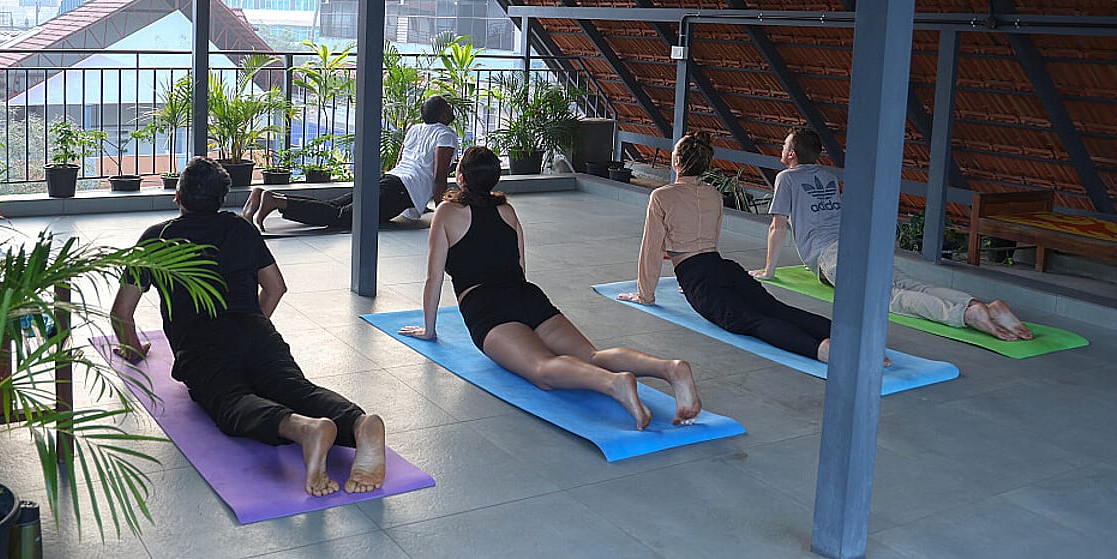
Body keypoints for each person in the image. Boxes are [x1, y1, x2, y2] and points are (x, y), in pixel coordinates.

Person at [110, 156, 389, 497]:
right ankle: (359, 424)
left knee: (231, 401)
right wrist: (255, 328)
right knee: (294, 388)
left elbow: (121, 312)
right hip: (257, 332)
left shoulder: (157, 238)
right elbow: (275, 288)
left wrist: (132, 349)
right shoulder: (241, 228)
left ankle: (304, 429)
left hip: (202, 346)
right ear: (221, 199)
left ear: (178, 197)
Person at [399, 145, 702, 430]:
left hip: (487, 308)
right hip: (527, 295)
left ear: (461, 177)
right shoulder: (506, 210)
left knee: (543, 370)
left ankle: (614, 384)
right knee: (592, 355)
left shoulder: (446, 213)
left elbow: (434, 278)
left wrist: (429, 329)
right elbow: (520, 266)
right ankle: (670, 368)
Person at [752, 126, 1033, 341]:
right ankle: (982, 305)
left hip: (833, 256)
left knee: (887, 298)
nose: (782, 148)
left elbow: (778, 226)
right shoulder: (828, 176)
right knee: (911, 284)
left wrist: (769, 271)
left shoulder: (786, 178)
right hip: (858, 246)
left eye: (785, 145)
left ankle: (966, 314)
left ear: (792, 154)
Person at [622, 133, 836, 362]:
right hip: (725, 268)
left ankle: (820, 350)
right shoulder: (713, 194)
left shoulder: (661, 196)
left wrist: (645, 295)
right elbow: (710, 241)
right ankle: (843, 335)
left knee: (752, 321)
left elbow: (651, 249)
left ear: (677, 161)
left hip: (697, 277)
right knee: (777, 309)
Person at [243, 95, 459, 231]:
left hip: (391, 179)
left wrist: (419, 200)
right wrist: (442, 213)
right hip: (399, 190)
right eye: (448, 108)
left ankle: (268, 196)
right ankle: (276, 202)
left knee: (334, 205)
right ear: (442, 115)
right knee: (341, 217)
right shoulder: (446, 134)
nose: (451, 111)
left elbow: (403, 160)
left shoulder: (415, 129)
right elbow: (439, 177)